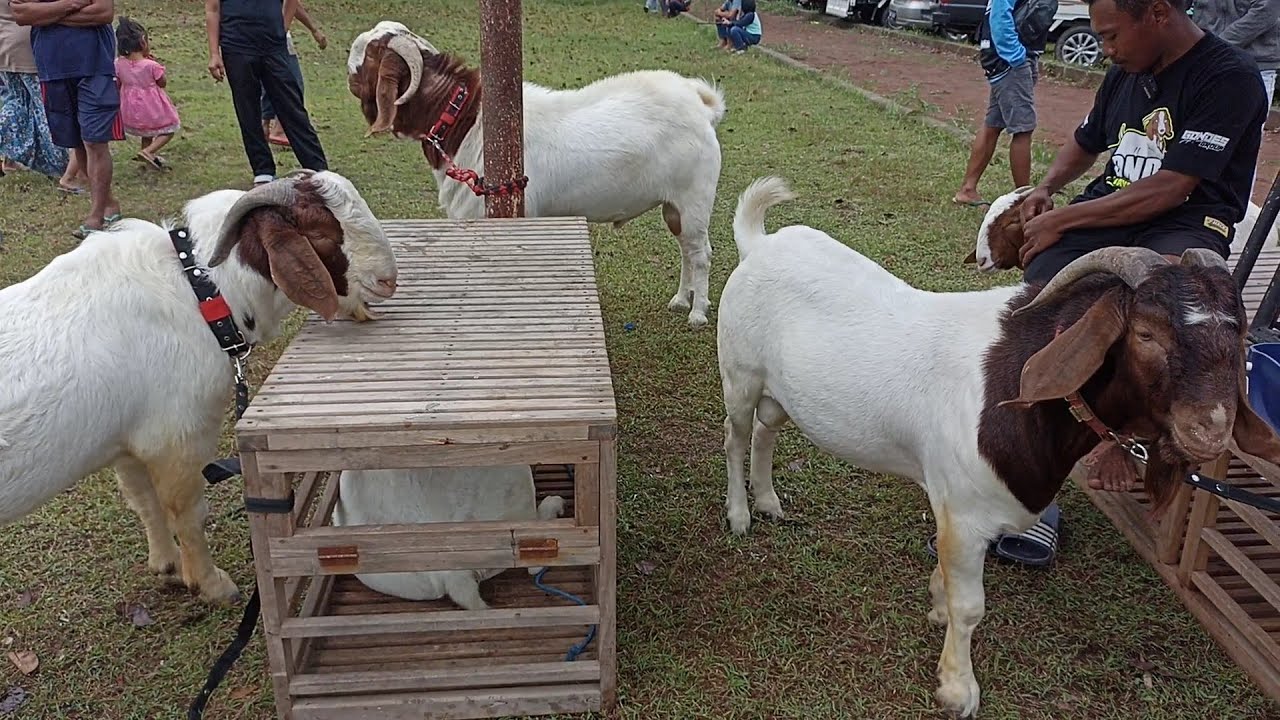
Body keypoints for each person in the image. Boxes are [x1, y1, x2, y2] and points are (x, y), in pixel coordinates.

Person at [1018, 0, 1268, 286]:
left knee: (1167, 291)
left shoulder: (1229, 77)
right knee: (1045, 275)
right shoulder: (1124, 73)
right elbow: (1085, 141)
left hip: (1187, 219)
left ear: (1158, 13)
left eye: (1112, 36)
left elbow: (1171, 189)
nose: (1107, 51)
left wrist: (1060, 219)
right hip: (1110, 212)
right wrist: (1046, 187)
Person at [13, 0, 123, 239]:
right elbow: (22, 13)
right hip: (53, 67)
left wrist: (46, 14)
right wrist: (71, 5)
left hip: (94, 66)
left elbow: (103, 12)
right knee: (75, 141)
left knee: (94, 140)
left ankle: (96, 216)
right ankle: (108, 203)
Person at [204, 0, 327, 186]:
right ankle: (263, 170)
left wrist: (282, 29)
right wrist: (214, 53)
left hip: (273, 47)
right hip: (236, 46)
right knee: (247, 110)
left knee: (292, 107)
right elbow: (212, 10)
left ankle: (318, 169)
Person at [952, 0, 1039, 207]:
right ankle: (1023, 199)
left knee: (993, 124)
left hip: (1010, 57)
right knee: (1023, 129)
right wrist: (1016, 58)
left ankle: (967, 189)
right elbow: (1000, 17)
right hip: (1009, 60)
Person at [1191, 0, 1280, 200]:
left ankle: (1238, 211)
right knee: (1195, 135)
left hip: (1256, 65)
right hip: (1203, 61)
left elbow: (1265, 11)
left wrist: (1213, 46)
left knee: (1243, 146)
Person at [0, 0, 66, 181]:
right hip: (27, 47)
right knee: (45, 106)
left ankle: (9, 155)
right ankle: (59, 165)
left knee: (16, 102)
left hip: (4, 47)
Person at [114, 16, 179, 169]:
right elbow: (162, 83)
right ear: (143, 42)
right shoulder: (151, 65)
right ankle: (149, 151)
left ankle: (146, 154)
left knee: (147, 132)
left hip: (130, 107)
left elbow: (117, 83)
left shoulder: (118, 63)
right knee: (170, 129)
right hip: (152, 105)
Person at [260, 1, 326, 148]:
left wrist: (314, 30)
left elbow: (292, 4)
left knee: (268, 79)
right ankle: (279, 129)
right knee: (293, 83)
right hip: (275, 37)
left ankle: (264, 126)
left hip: (258, 35)